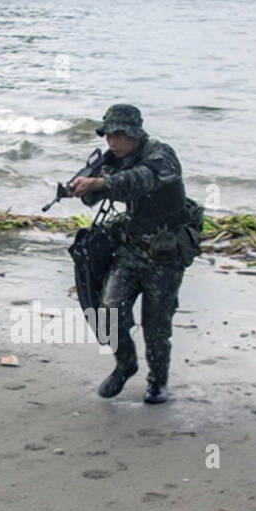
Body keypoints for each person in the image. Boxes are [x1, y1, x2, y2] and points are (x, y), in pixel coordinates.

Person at [72, 104, 193, 404]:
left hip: (166, 254)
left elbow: (141, 180)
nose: (112, 141)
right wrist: (83, 185)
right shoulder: (113, 161)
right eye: (108, 135)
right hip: (131, 248)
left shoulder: (161, 155)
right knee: (108, 310)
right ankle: (125, 364)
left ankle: (158, 382)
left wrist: (102, 181)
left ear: (135, 134)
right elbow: (91, 197)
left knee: (156, 325)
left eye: (119, 135)